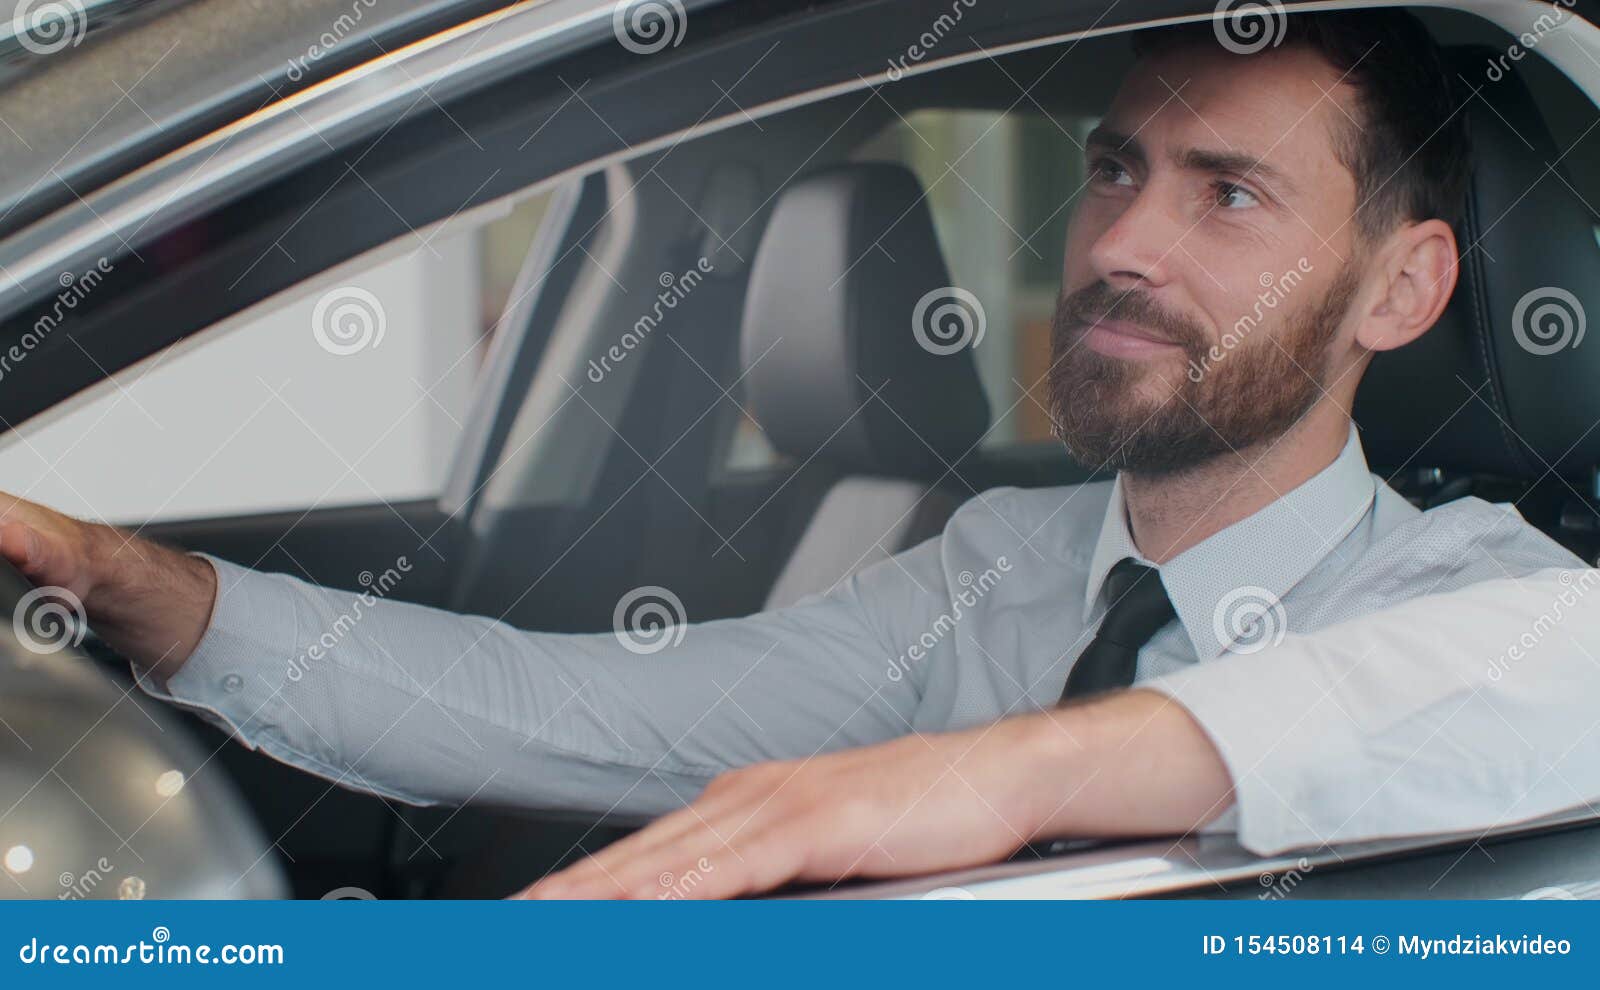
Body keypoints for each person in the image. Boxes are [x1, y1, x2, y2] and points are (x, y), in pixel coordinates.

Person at [0, 10, 1594, 900]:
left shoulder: (1470, 596)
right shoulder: (994, 569)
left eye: (1226, 194)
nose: (1119, 245)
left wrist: (968, 780)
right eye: (1116, 170)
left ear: (1407, 286)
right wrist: (151, 591)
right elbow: (560, 707)